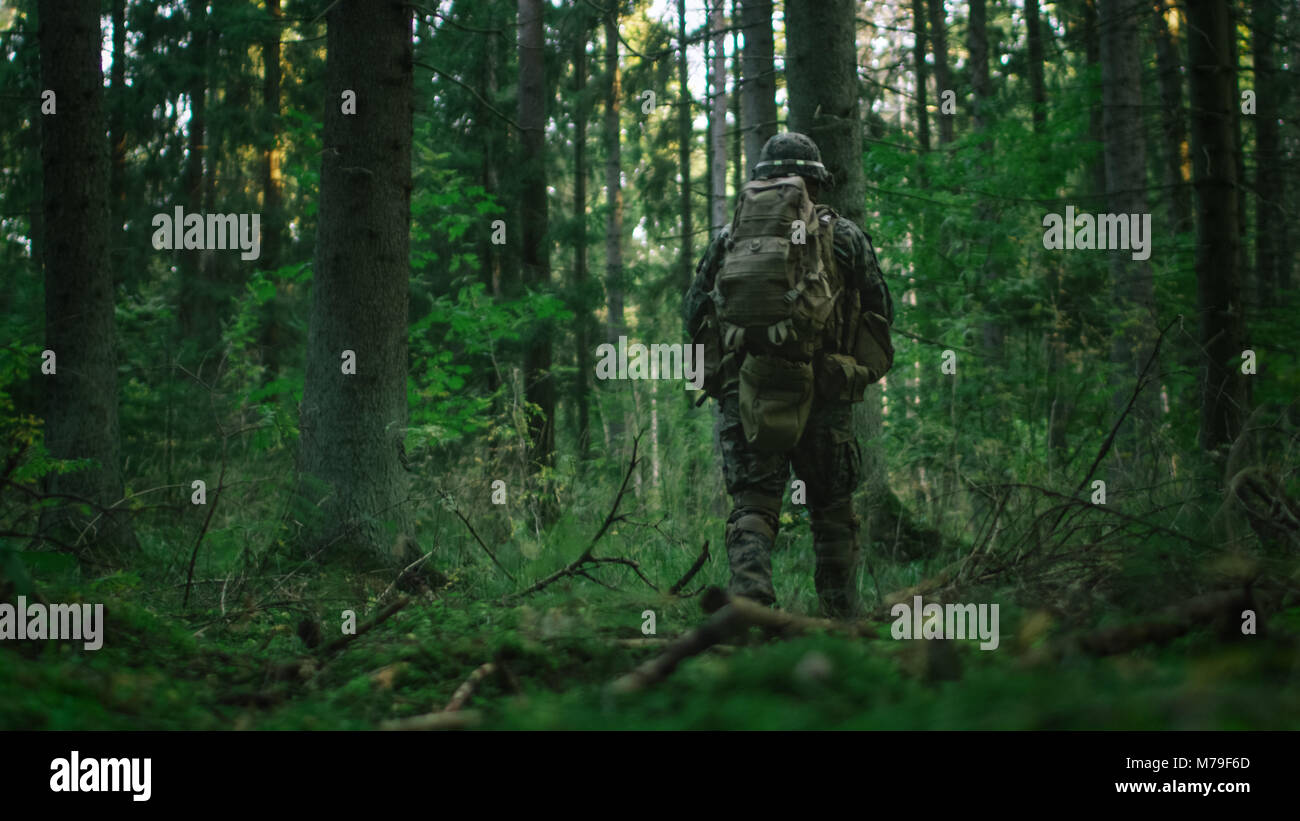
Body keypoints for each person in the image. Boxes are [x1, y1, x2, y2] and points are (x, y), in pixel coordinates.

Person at [683, 132, 894, 619]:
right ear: (815, 183)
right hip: (822, 391)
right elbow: (880, 313)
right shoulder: (846, 238)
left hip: (748, 393)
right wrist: (852, 372)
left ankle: (749, 610)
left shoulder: (729, 240)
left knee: (754, 506)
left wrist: (720, 378)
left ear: (759, 181)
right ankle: (841, 616)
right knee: (831, 508)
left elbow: (694, 313)